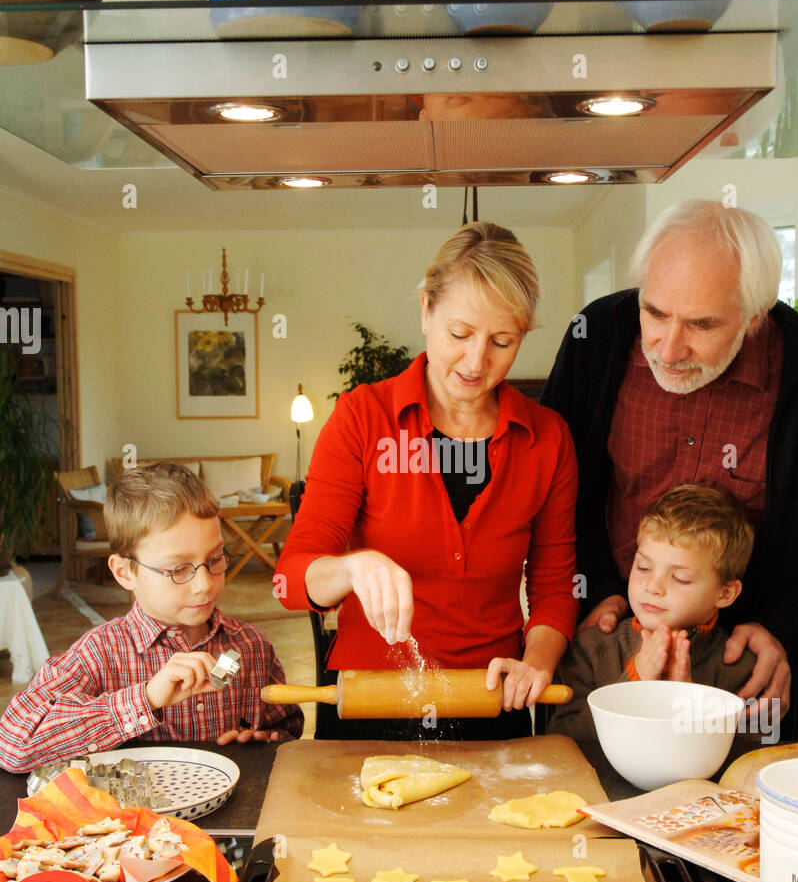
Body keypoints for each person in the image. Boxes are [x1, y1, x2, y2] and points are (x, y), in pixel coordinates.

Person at [542, 198, 798, 742]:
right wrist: (591, 590)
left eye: (702, 324)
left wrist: (789, 629)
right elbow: (551, 485)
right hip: (603, 644)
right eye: (656, 312)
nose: (667, 349)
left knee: (725, 821)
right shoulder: (596, 336)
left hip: (745, 670)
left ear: (757, 314)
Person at [274, 221, 578, 740]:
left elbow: (553, 586)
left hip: (490, 697)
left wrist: (537, 662)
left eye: (502, 341)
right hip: (369, 696)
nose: (477, 361)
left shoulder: (547, 438)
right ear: (425, 310)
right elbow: (291, 580)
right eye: (460, 334)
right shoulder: (362, 418)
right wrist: (353, 566)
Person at [0, 463, 303, 774]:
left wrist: (265, 741)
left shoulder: (252, 647)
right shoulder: (99, 654)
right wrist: (145, 698)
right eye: (178, 569)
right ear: (124, 572)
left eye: (214, 559)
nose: (204, 584)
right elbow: (15, 746)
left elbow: (287, 728)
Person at [553, 484, 757, 743]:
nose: (652, 586)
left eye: (680, 578)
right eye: (643, 567)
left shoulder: (742, 667)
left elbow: (751, 757)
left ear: (725, 594)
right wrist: (630, 686)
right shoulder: (591, 646)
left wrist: (689, 707)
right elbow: (562, 740)